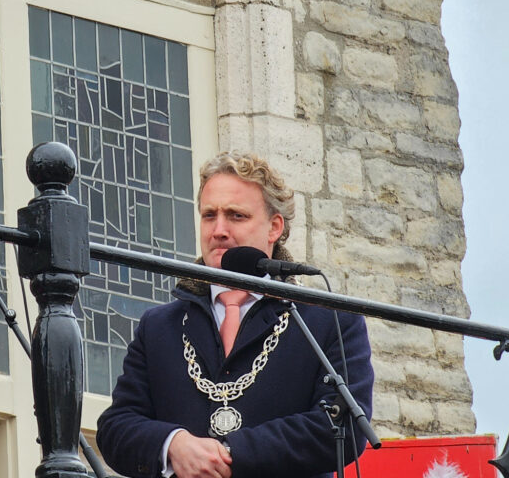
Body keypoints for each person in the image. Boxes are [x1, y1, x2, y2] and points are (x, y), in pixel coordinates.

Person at [96, 151, 374, 478]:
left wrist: (231, 454)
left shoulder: (330, 321)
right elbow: (116, 427)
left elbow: (340, 423)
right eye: (209, 215)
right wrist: (172, 444)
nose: (219, 230)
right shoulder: (159, 327)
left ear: (274, 227)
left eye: (236, 216)